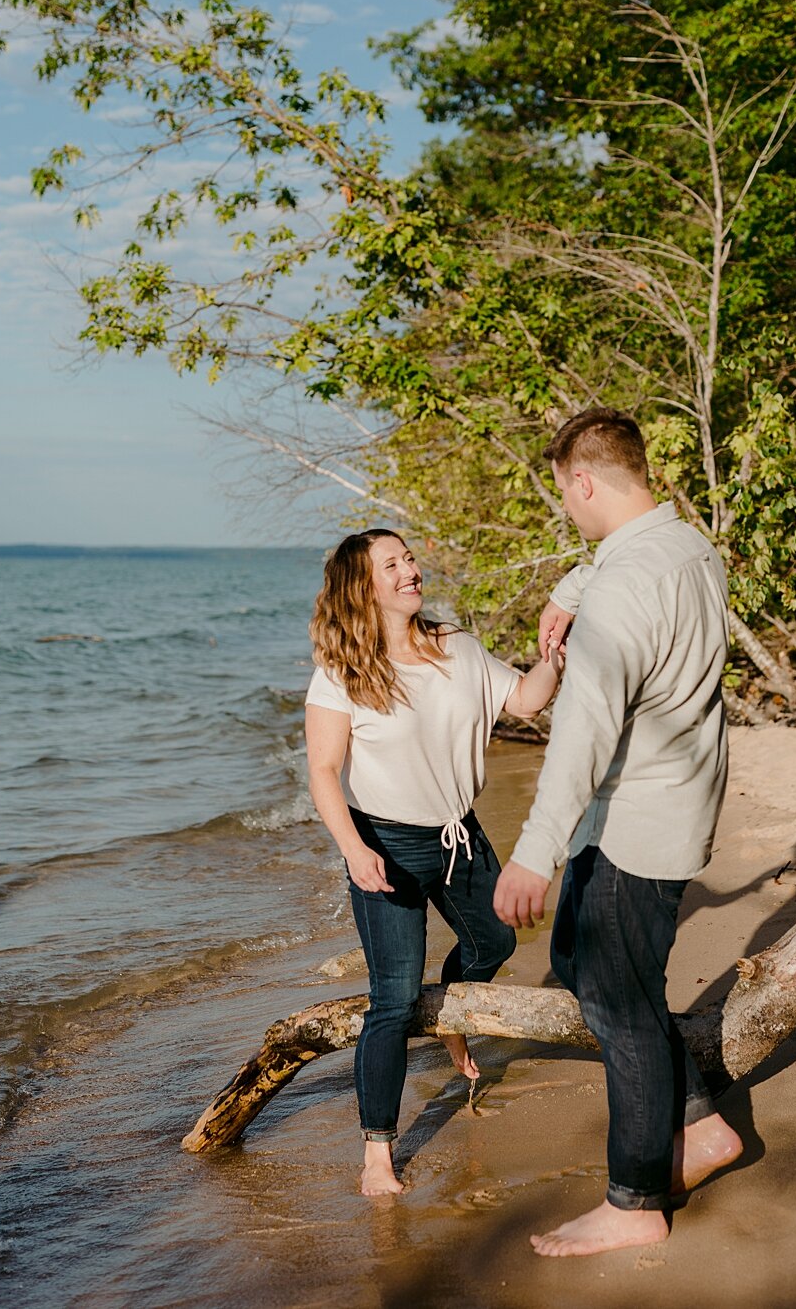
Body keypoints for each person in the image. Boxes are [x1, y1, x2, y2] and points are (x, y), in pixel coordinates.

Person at [493, 407, 745, 1257]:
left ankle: (637, 1200)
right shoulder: (683, 546)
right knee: (581, 964)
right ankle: (699, 1125)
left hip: (641, 817)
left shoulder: (625, 584)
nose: (569, 509)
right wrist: (569, 592)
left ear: (585, 481)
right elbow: (605, 567)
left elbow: (582, 732)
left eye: (566, 493)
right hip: (667, 801)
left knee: (618, 1004)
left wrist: (532, 853)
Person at [305, 528, 562, 1196]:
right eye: (392, 564)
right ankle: (378, 1153)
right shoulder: (342, 672)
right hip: (382, 844)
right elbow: (324, 772)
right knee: (392, 998)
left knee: (498, 937)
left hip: (458, 836)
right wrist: (354, 850)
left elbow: (527, 700)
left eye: (410, 557)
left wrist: (552, 658)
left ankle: (449, 1019)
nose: (410, 569)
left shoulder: (459, 648)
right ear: (364, 587)